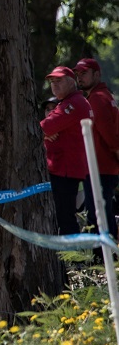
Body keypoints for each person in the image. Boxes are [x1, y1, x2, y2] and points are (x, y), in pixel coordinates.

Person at [41, 65, 95, 240]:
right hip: (63, 168)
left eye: (59, 81)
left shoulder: (73, 103)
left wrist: (45, 132)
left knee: (65, 218)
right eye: (52, 82)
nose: (54, 85)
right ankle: (71, 260)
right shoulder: (68, 102)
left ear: (72, 83)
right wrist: (45, 134)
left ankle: (74, 262)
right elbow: (46, 129)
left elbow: (44, 127)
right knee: (63, 217)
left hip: (64, 170)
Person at [76, 57, 119, 235]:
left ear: (97, 74)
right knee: (102, 213)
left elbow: (109, 133)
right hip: (104, 167)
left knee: (98, 215)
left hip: (99, 168)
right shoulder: (106, 96)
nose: (80, 77)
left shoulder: (97, 99)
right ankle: (105, 257)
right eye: (77, 74)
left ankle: (101, 258)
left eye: (84, 73)